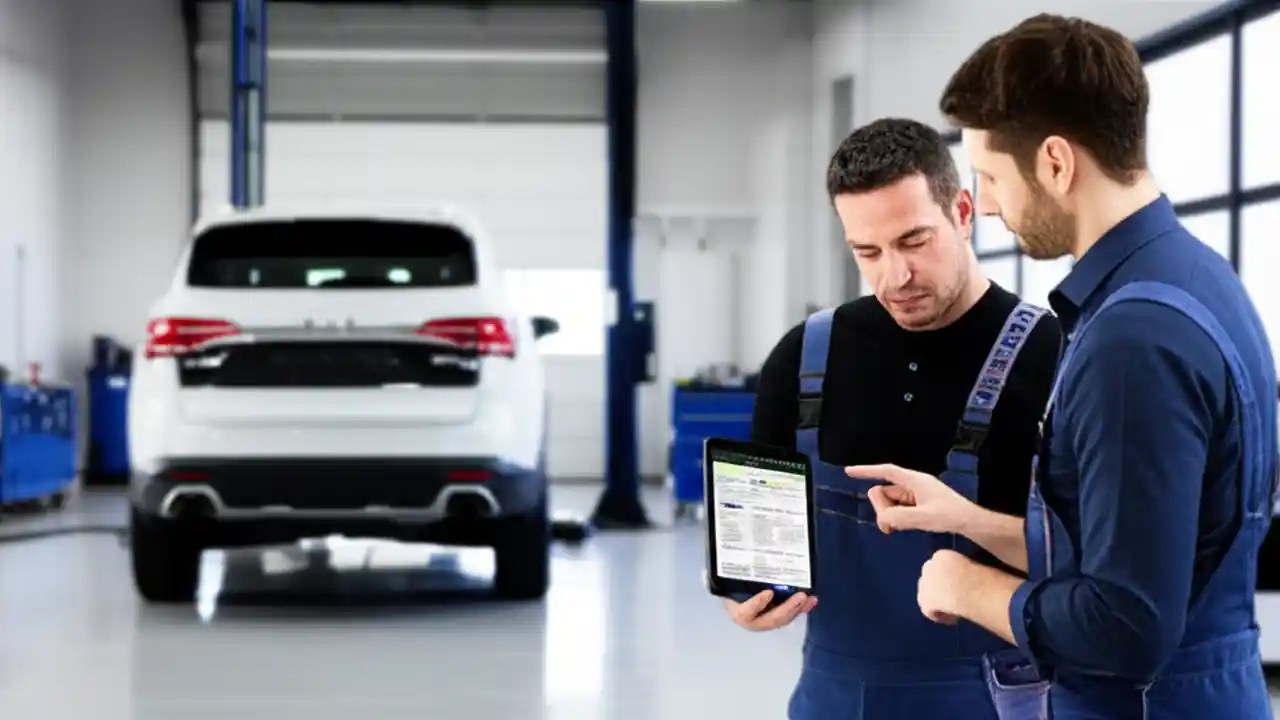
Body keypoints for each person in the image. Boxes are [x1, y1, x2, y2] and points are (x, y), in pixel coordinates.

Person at [849, 14, 1279, 719]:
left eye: (989, 176)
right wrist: (974, 521)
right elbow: (1146, 551)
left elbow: (1126, 623)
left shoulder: (1132, 341)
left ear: (1055, 162)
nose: (983, 205)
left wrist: (967, 587)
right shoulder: (1197, 280)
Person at [722, 116, 1062, 719]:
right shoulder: (801, 358)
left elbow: (1093, 565)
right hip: (832, 695)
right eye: (867, 252)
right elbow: (759, 541)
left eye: (913, 242)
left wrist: (972, 523)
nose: (894, 277)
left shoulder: (1053, 357)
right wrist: (746, 598)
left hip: (993, 699)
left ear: (962, 212)